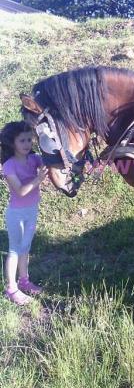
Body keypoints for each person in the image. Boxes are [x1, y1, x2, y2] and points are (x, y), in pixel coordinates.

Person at [0, 121, 48, 305]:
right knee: (14, 250)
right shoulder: (9, 166)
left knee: (25, 248)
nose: (27, 144)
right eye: (22, 140)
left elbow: (48, 164)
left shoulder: (33, 159)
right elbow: (20, 191)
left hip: (31, 210)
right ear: (12, 143)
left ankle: (24, 281)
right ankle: (11, 289)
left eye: (29, 139)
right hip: (17, 214)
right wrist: (38, 178)